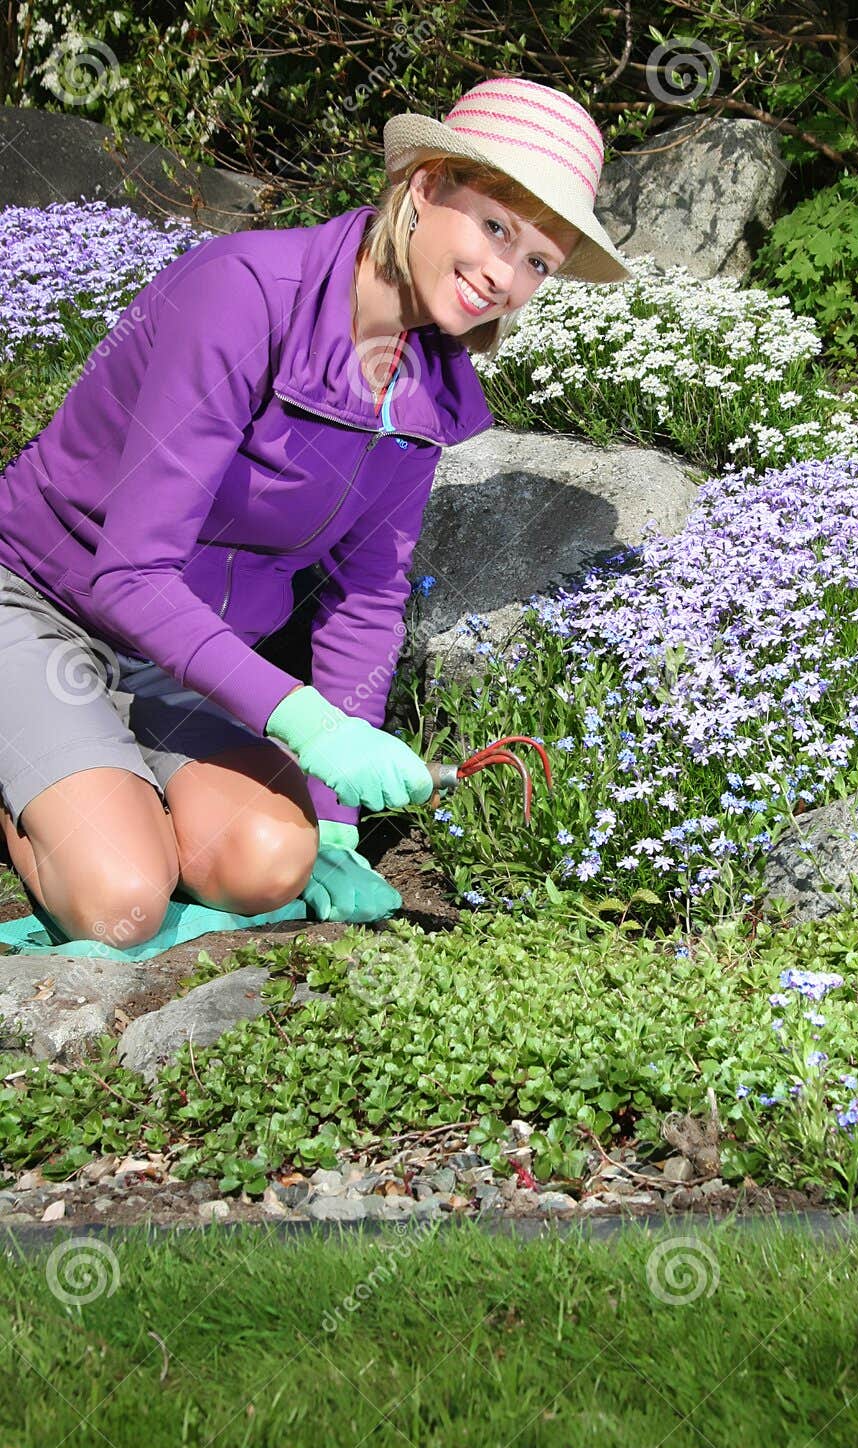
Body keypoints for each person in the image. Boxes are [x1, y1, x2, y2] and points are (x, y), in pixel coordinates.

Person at [0, 75, 631, 953]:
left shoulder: (431, 388)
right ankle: (36, 773)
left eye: (537, 261)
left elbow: (367, 596)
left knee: (269, 864)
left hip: (181, 660)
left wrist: (332, 817)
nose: (503, 274)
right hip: (43, 604)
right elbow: (129, 574)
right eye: (495, 226)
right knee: (124, 903)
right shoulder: (245, 291)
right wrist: (307, 723)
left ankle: (95, 771)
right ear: (425, 186)